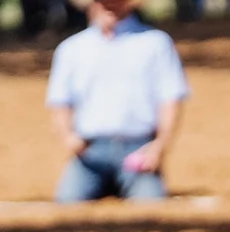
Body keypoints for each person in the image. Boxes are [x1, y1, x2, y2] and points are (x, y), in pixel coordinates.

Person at [46, 0, 189, 203]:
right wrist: (69, 137)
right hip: (90, 153)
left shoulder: (156, 43)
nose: (110, 6)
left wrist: (159, 146)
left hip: (139, 148)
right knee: (68, 202)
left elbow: (170, 100)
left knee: (151, 204)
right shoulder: (71, 49)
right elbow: (60, 102)